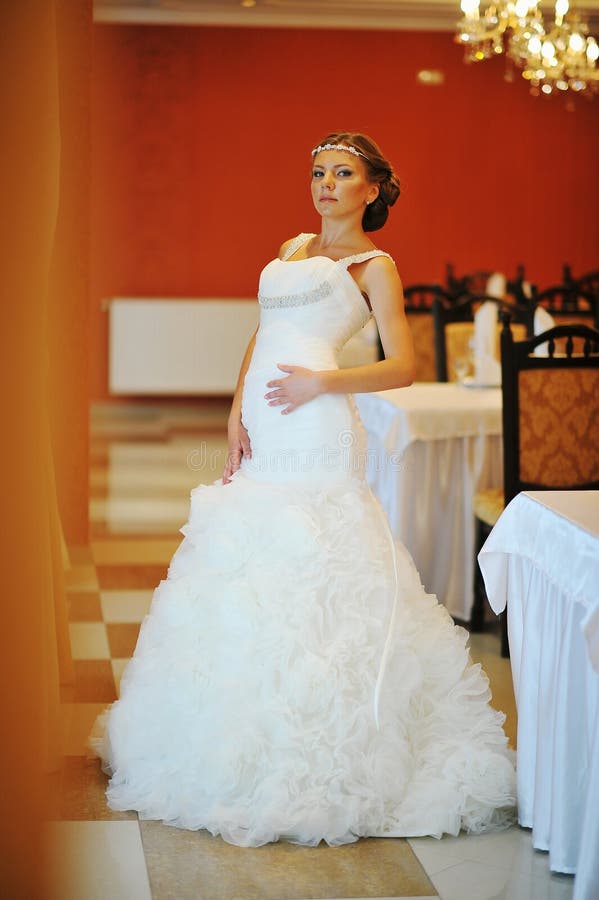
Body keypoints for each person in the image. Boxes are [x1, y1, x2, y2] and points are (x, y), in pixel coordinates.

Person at [90, 131, 516, 848]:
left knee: (317, 558)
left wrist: (324, 381)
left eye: (341, 173)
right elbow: (261, 337)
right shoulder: (292, 248)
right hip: (263, 419)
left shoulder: (375, 265)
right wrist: (233, 411)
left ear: (371, 188)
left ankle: (324, 739)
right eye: (318, 171)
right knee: (249, 560)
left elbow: (404, 365)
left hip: (317, 424)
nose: (324, 184)